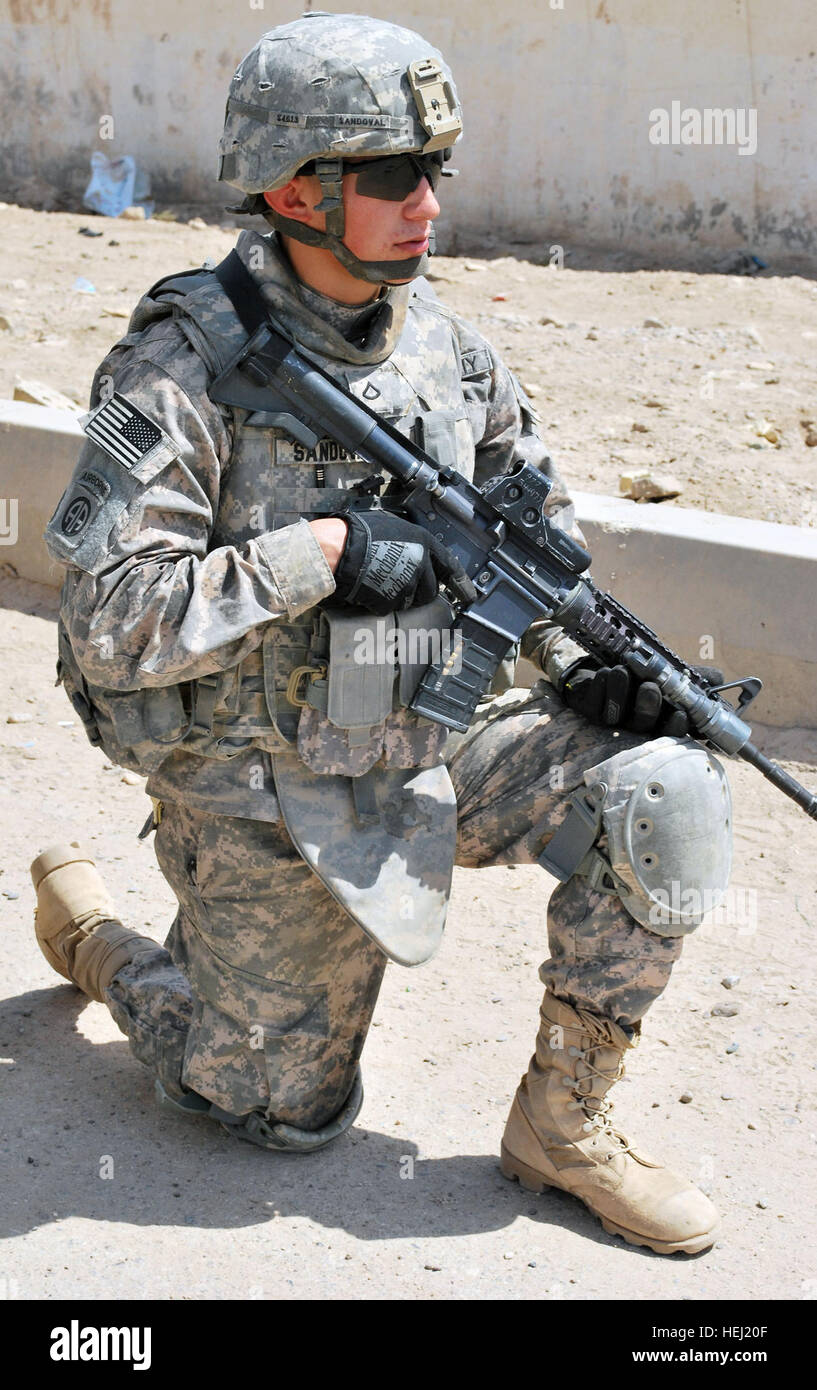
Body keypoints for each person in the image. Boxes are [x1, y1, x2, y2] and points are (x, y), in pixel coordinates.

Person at [33, 12, 732, 1255]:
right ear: (298, 187)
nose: (430, 203)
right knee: (266, 1115)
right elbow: (105, 624)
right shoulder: (179, 368)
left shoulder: (456, 359)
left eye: (435, 172)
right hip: (266, 777)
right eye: (396, 175)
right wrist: (326, 555)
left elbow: (541, 538)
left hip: (426, 727)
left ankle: (563, 1124)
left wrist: (594, 671)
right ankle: (103, 946)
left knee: (666, 787)